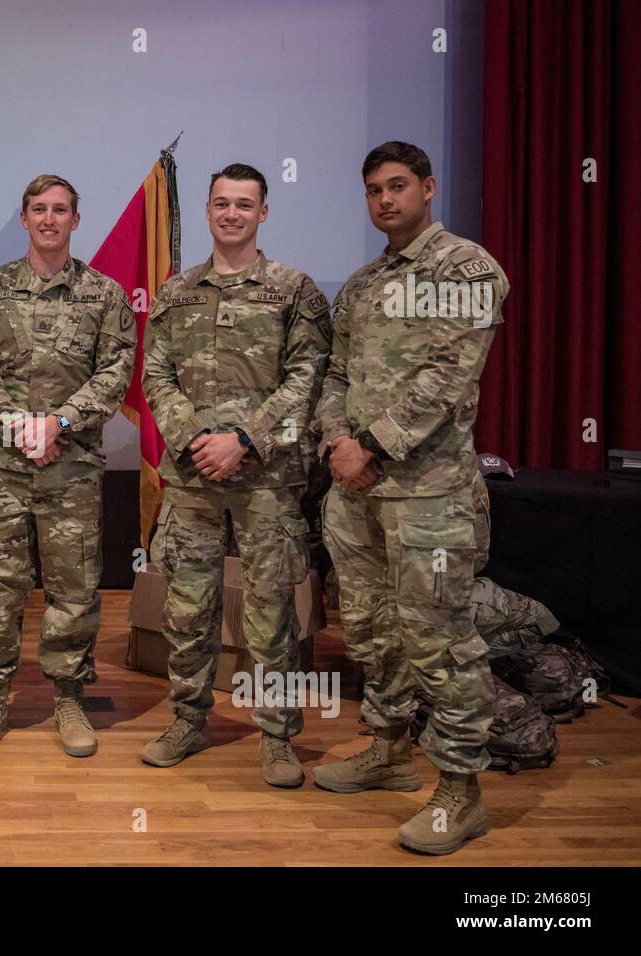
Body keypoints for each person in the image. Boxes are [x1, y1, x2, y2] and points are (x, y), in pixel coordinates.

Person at [313, 141, 508, 855]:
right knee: (368, 627)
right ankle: (389, 751)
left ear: (428, 187)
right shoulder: (362, 285)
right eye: (373, 190)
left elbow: (451, 372)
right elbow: (333, 374)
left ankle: (460, 792)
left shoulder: (465, 268)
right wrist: (339, 443)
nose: (385, 200)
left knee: (439, 639)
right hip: (356, 491)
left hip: (429, 496)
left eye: (397, 186)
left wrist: (374, 444)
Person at [141, 163, 331, 786]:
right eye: (221, 203)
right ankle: (188, 720)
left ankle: (277, 736)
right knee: (187, 608)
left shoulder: (294, 289)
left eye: (244, 205)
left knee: (271, 611)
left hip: (268, 481)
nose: (231, 214)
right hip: (193, 478)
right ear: (207, 210)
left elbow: (308, 377)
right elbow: (156, 375)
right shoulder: (177, 292)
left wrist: (245, 439)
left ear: (263, 213)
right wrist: (195, 439)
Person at [0, 174, 135, 757]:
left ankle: (68, 697)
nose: (50, 219)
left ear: (76, 220)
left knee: (74, 588)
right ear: (24, 217)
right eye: (40, 209)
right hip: (5, 471)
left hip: (73, 468)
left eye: (61, 210)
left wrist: (57, 423)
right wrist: (23, 427)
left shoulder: (105, 296)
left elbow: (115, 374)